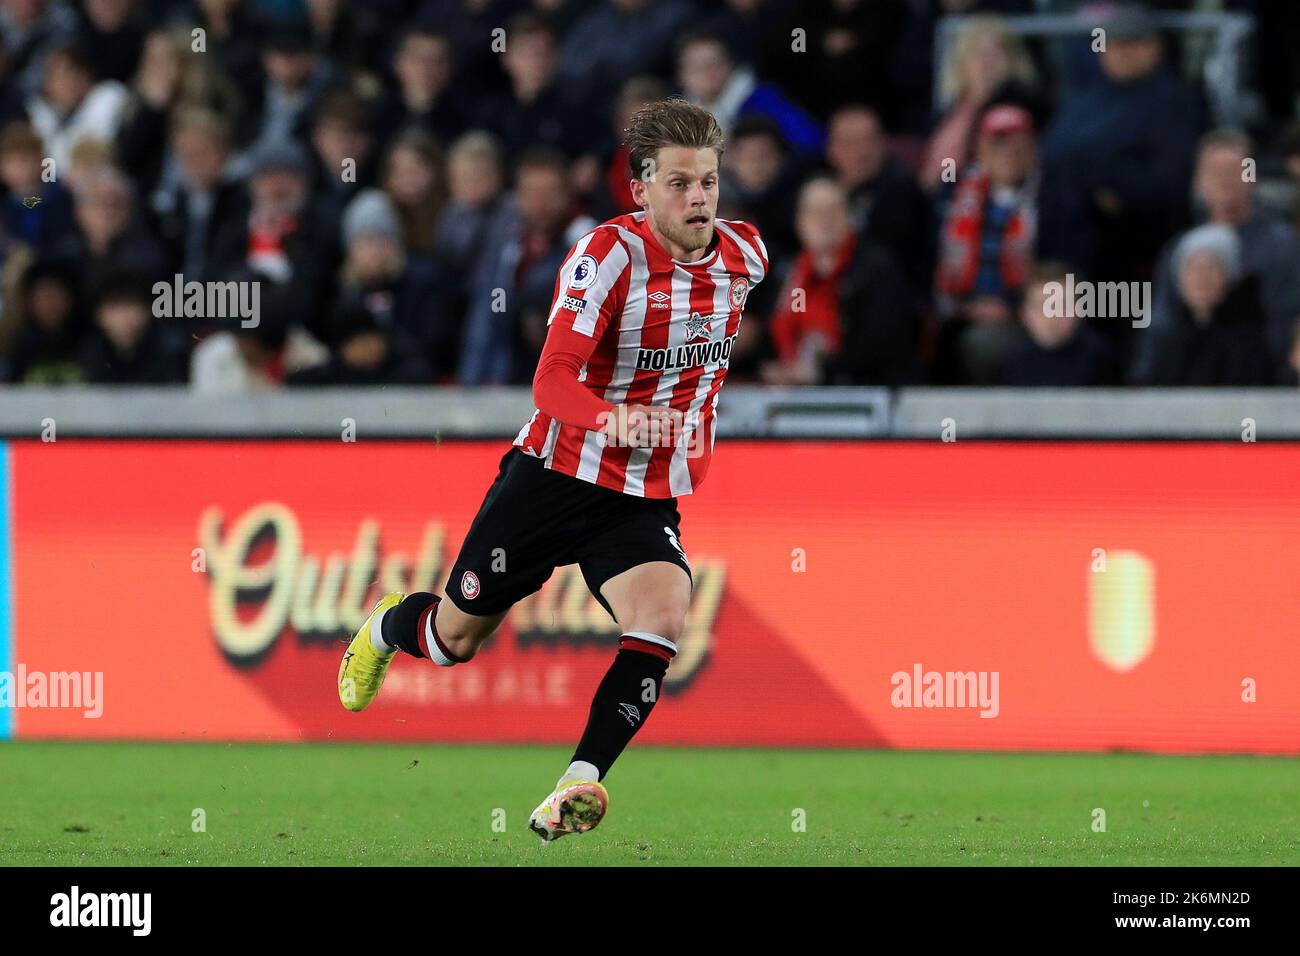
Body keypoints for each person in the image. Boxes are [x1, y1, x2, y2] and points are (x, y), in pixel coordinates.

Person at [336, 98, 768, 842]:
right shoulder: (606, 259)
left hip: (642, 495)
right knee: (452, 642)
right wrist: (615, 416)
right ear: (640, 189)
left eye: (708, 182)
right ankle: (387, 624)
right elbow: (551, 383)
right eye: (678, 184)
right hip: (555, 476)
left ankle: (577, 784)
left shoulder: (747, 257)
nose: (698, 199)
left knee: (663, 620)